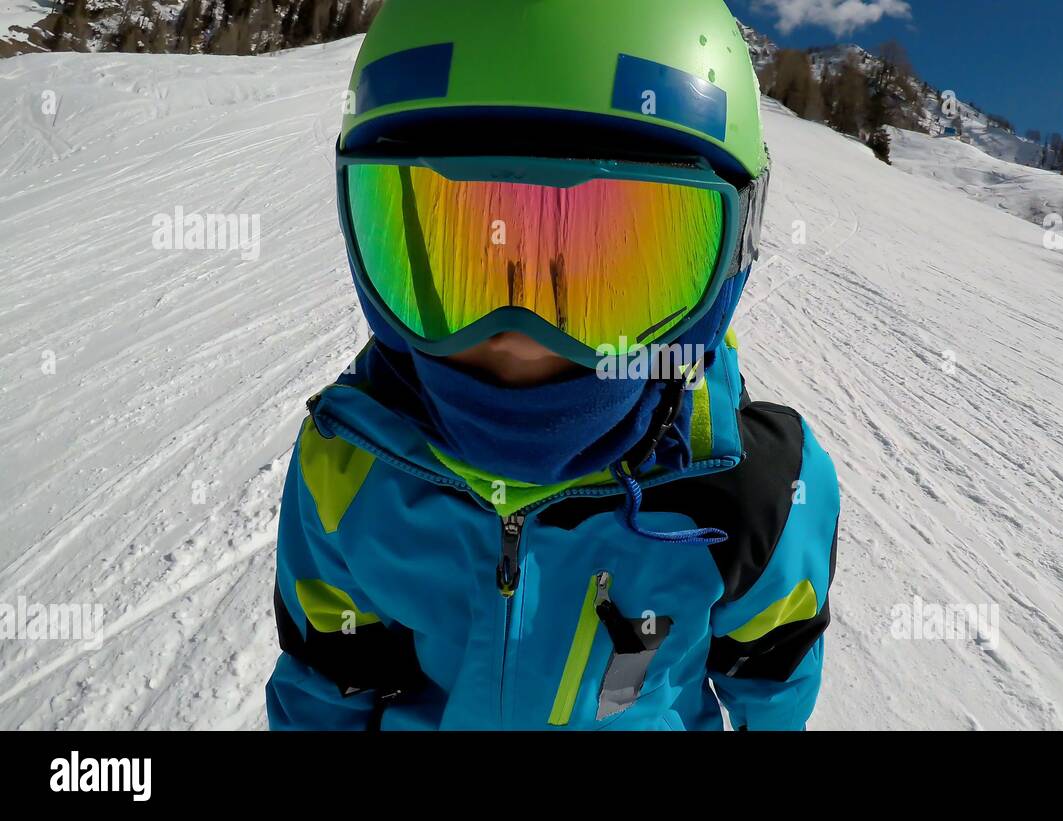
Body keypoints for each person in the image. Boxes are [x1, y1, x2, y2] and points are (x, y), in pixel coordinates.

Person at [266, 0, 840, 731]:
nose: (520, 337)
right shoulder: (347, 475)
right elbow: (325, 690)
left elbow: (775, 681)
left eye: (606, 276)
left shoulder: (746, 493)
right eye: (461, 258)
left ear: (725, 265)